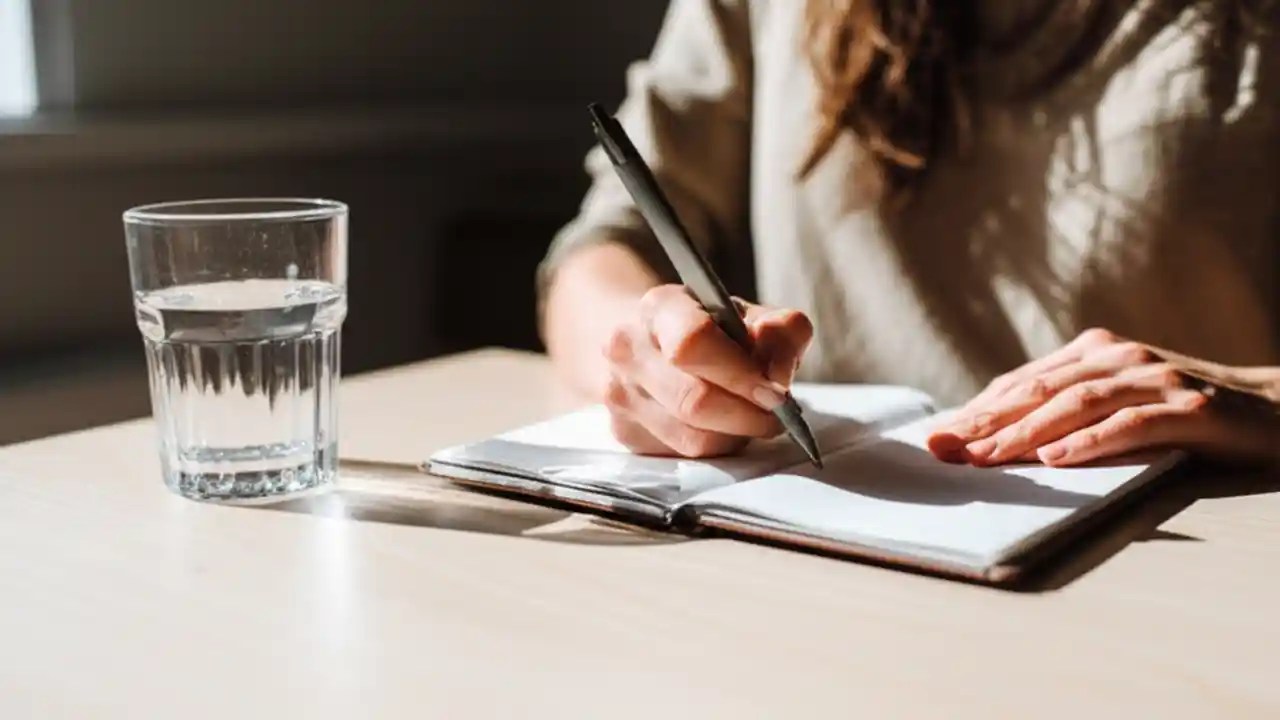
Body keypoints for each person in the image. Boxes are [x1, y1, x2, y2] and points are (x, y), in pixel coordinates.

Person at [540, 0, 1280, 467]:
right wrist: (648, 356)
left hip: (1179, 552)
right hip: (827, 531)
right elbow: (607, 243)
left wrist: (1259, 396)